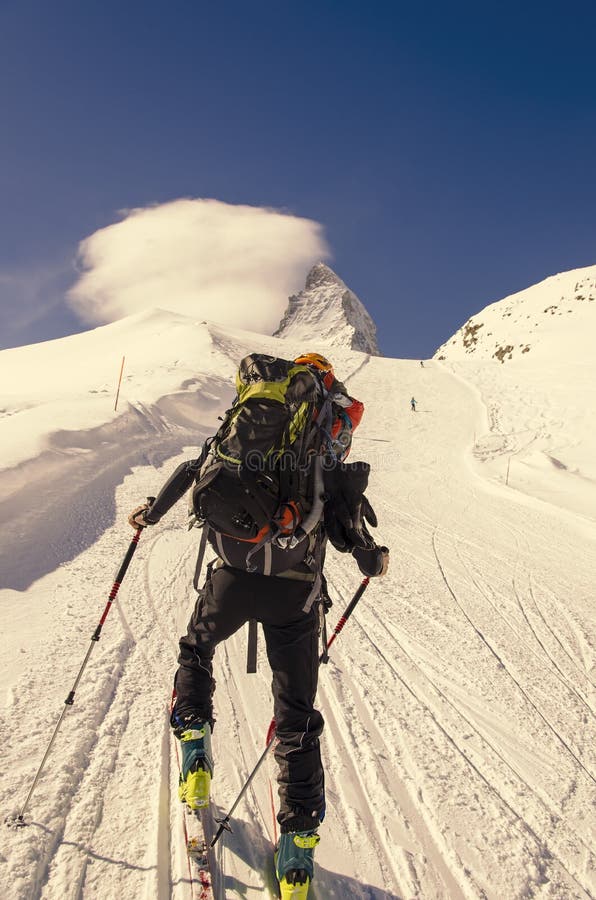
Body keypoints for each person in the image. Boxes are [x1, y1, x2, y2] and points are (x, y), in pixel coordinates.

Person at [128, 352, 389, 898]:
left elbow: (192, 474)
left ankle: (195, 741)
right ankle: (296, 849)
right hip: (295, 596)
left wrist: (151, 513)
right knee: (296, 715)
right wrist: (373, 558)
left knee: (195, 650)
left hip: (233, 577)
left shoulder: (245, 429)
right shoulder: (322, 445)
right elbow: (350, 537)